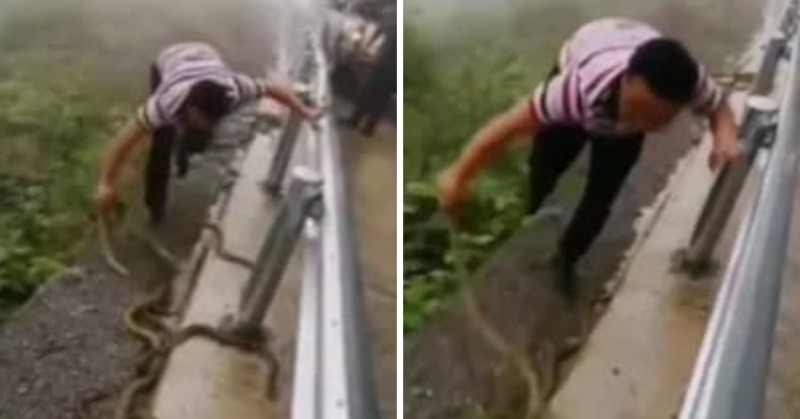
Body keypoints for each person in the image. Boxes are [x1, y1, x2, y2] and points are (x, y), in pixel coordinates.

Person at [437, 18, 742, 299]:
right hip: (590, 56)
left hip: (628, 49)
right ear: (626, 79)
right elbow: (506, 129)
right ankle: (533, 220)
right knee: (545, 168)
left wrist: (725, 138)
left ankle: (567, 258)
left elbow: (719, 108)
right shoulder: (574, 91)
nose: (636, 124)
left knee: (602, 192)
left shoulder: (690, 82)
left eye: (656, 120)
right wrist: (459, 175)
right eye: (637, 110)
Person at [95, 42, 320, 224]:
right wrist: (106, 183)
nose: (204, 125)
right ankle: (155, 207)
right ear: (188, 108)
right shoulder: (164, 104)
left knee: (196, 143)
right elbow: (123, 141)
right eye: (195, 122)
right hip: (168, 60)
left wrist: (305, 111)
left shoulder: (234, 89)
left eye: (208, 124)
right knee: (162, 143)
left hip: (206, 56)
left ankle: (185, 151)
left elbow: (273, 89)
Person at [345, 6, 396, 136]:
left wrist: (370, 46)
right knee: (376, 95)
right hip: (385, 63)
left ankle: (362, 123)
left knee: (376, 94)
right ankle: (361, 123)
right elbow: (379, 31)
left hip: (390, 65)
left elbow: (380, 32)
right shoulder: (391, 16)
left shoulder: (392, 17)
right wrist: (369, 46)